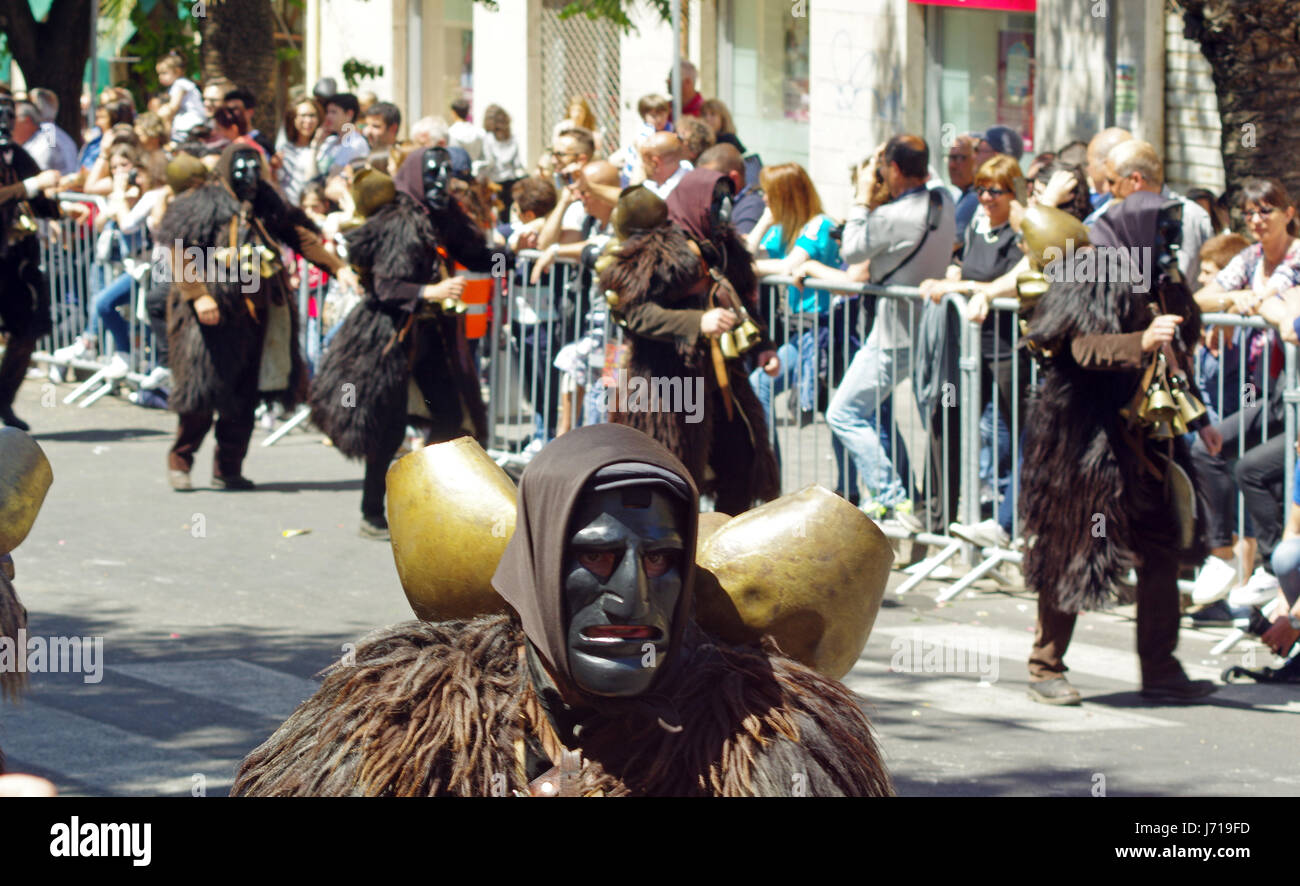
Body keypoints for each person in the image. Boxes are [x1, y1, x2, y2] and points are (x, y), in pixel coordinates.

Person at [231, 423, 892, 796]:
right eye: (599, 559)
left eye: (662, 561)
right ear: (540, 563)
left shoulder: (765, 742)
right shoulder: (394, 724)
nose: (633, 595)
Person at [1020, 190, 1220, 705]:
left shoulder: (1158, 279)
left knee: (1161, 546)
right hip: (1086, 440)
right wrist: (1140, 343)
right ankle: (1045, 666)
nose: (1169, 240)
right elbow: (1081, 348)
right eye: (1162, 229)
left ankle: (1161, 668)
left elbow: (1174, 358)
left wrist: (1200, 422)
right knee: (1075, 548)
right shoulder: (1091, 271)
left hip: (1146, 442)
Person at [308, 149, 505, 538]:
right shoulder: (399, 220)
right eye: (431, 176)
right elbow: (385, 286)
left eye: (444, 176)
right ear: (415, 177)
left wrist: (516, 255)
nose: (439, 184)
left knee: (450, 417)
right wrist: (431, 290)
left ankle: (424, 497)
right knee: (388, 428)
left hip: (432, 337)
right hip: (388, 335)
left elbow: (475, 253)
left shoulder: (444, 216)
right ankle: (371, 512)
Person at [159, 143, 358, 491]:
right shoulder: (201, 202)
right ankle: (181, 460)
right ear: (226, 170)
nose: (250, 177)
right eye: (242, 170)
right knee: (201, 391)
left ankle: (228, 468)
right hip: (209, 315)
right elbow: (180, 251)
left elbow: (298, 235)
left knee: (245, 394)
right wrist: (199, 295)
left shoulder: (266, 202)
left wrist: (337, 267)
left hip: (256, 313)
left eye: (256, 169)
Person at [596, 178, 778, 514]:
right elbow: (637, 314)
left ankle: (723, 552)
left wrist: (763, 346)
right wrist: (697, 323)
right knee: (669, 479)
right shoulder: (657, 253)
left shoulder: (725, 249)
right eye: (716, 201)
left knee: (741, 463)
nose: (723, 209)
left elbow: (740, 301)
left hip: (724, 381)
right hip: (668, 384)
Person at [828, 135, 956, 527]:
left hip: (893, 332)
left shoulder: (892, 216)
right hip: (928, 328)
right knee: (928, 418)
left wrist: (863, 197)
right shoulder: (944, 200)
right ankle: (921, 507)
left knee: (844, 413)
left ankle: (892, 497)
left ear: (894, 170)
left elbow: (850, 250)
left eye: (884, 165)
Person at [1189, 179, 1300, 612]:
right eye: (1250, 212)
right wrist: (1238, 298)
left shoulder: (1296, 257)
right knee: (1211, 448)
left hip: (1287, 389)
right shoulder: (1250, 257)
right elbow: (1201, 298)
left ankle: (1275, 572)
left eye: (1266, 211)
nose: (1256, 220)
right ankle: (1225, 556)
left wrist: (1261, 303)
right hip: (1263, 387)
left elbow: (1284, 310)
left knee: (1254, 468)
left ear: (1289, 213)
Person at [919, 155, 1028, 545]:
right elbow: (968, 269)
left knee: (1022, 436)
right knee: (945, 420)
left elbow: (1017, 280)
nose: (984, 197)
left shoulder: (1023, 234)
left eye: (994, 190)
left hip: (1007, 351)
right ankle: (937, 519)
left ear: (1015, 193)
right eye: (980, 189)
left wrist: (962, 288)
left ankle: (1011, 526)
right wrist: (954, 274)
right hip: (968, 351)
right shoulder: (979, 225)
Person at [0, 95, 62, 430]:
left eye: (9, 113)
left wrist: (55, 205)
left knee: (25, 331)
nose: (5, 118)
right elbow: (24, 187)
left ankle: (3, 401)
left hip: (16, 260)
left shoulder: (17, 154)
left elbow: (37, 194)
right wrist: (29, 186)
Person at [1102, 139, 1213, 283]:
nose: (1107, 189)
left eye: (1112, 182)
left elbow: (1177, 283)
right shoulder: (1117, 213)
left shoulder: (1187, 217)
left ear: (1135, 180)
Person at [481, 104, 526, 220]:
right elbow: (517, 163)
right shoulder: (512, 139)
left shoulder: (489, 139)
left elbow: (489, 161)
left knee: (497, 210)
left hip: (495, 181)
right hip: (510, 179)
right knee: (507, 211)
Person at [275, 98, 322, 206]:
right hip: (290, 211)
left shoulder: (325, 147)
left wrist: (315, 147)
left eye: (312, 115)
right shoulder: (285, 150)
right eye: (303, 116)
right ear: (293, 119)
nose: (308, 121)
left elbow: (312, 178)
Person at [155, 51, 207, 142]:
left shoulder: (180, 84)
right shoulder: (178, 84)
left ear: (178, 71)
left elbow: (173, 107)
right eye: (159, 74)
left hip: (191, 121)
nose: (160, 77)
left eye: (164, 73)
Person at [223, 88, 275, 158]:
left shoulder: (261, 143)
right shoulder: (223, 140)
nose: (229, 115)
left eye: (234, 109)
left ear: (249, 112)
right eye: (227, 110)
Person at [946, 134, 979, 240]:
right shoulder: (958, 195)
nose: (952, 165)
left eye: (959, 158)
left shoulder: (977, 197)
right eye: (951, 158)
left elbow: (953, 241)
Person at [639, 131, 690, 200]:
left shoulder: (675, 196)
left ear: (656, 163)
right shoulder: (652, 183)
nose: (642, 166)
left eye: (645, 162)